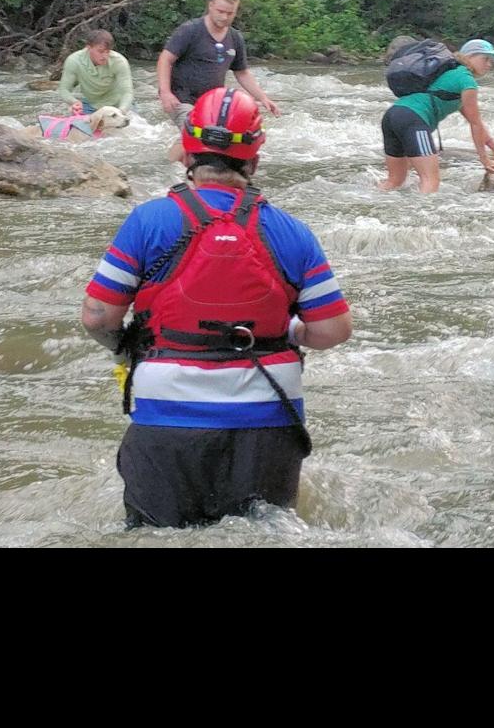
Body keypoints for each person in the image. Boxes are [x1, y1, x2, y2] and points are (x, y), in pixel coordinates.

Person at [80, 88, 351, 528]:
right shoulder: (292, 231)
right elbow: (334, 330)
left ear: (187, 157)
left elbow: (97, 316)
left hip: (165, 416)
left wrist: (124, 349)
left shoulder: (147, 221)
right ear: (255, 161)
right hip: (268, 415)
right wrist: (294, 332)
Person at [377, 39, 494, 193]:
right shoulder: (466, 80)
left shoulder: (449, 74)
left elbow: (475, 123)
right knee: (430, 180)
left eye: (491, 60)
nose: (489, 64)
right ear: (470, 56)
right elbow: (476, 124)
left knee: (394, 182)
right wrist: (485, 160)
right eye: (485, 58)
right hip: (412, 120)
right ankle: (422, 216)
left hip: (393, 115)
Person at [157, 0, 277, 124]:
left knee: (219, 139)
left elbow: (242, 73)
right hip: (181, 99)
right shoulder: (190, 30)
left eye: (230, 13)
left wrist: (262, 98)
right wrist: (165, 93)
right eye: (220, 11)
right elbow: (165, 60)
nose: (224, 17)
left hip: (213, 102)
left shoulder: (235, 38)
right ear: (211, 6)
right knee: (197, 132)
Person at [58, 29, 132, 116]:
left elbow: (127, 92)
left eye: (107, 51)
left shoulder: (119, 62)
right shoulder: (74, 61)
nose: (104, 56)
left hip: (117, 106)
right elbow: (64, 89)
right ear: (88, 48)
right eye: (100, 51)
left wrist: (121, 111)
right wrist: (74, 102)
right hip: (90, 106)